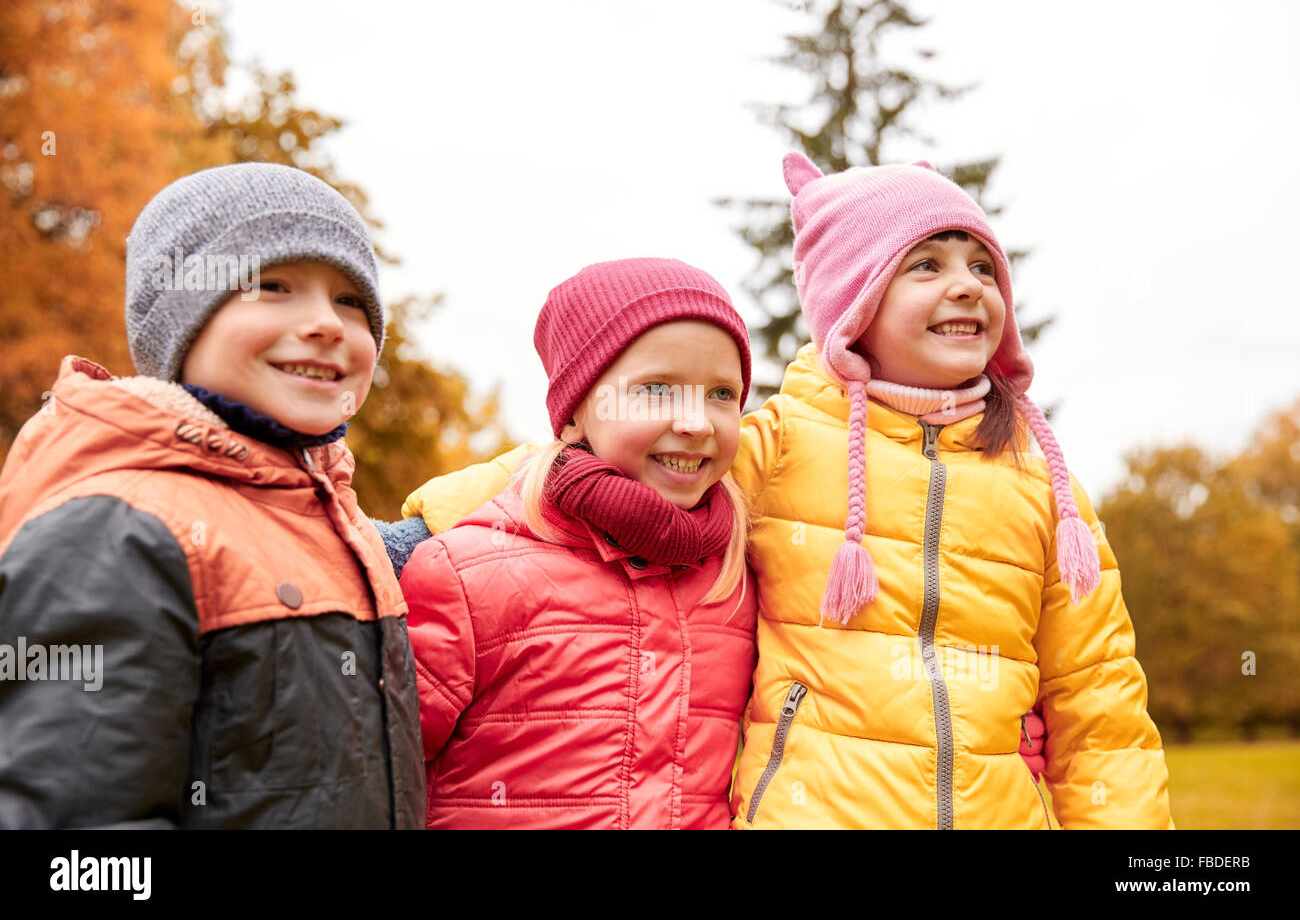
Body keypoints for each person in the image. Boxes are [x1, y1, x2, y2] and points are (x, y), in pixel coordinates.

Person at [725, 153, 1172, 828]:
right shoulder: (777, 444)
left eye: (982, 266)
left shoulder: (1043, 484)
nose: (967, 286)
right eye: (926, 264)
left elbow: (1100, 713)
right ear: (854, 299)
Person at [0, 163, 424, 828]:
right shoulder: (120, 530)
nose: (325, 322)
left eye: (350, 301)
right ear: (182, 321)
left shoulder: (332, 522)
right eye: (273, 286)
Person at [399, 258, 757, 828]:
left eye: (721, 393)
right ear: (572, 417)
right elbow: (377, 771)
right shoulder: (469, 574)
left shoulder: (738, 576)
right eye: (657, 389)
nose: (696, 421)